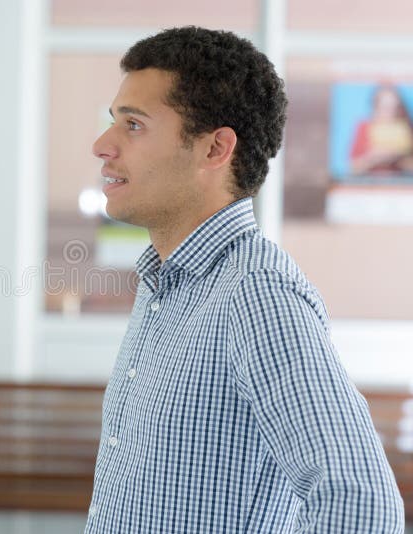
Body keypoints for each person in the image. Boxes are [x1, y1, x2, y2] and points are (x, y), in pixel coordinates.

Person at [87, 27, 404, 533]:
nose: (103, 145)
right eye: (113, 122)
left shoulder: (256, 294)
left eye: (134, 125)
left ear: (215, 149)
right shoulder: (164, 284)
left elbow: (360, 506)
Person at [349, 84, 413, 176]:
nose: (392, 112)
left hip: (401, 184)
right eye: (386, 107)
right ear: (376, 107)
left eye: (396, 107)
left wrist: (398, 158)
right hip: (371, 183)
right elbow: (353, 167)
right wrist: (374, 158)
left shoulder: (408, 128)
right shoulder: (365, 128)